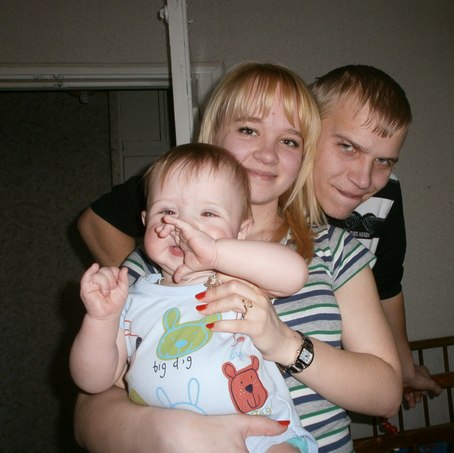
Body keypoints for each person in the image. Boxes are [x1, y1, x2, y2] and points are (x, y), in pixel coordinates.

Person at [74, 62, 402, 452]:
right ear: (212, 135)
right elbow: (90, 410)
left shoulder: (335, 251)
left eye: (289, 141)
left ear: (305, 155)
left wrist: (284, 343)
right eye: (248, 130)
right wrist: (173, 433)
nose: (267, 154)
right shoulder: (156, 261)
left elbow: (386, 395)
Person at [70, 143, 317, 453]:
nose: (183, 226)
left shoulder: (238, 279)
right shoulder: (130, 300)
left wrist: (215, 253)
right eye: (167, 212)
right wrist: (101, 319)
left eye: (208, 213)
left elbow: (294, 275)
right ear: (145, 221)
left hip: (265, 436)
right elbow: (92, 381)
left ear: (242, 231)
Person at [310, 65, 441, 407]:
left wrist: (404, 370)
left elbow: (387, 285)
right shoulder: (270, 194)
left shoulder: (386, 194)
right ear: (307, 128)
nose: (364, 179)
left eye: (383, 161)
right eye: (348, 147)